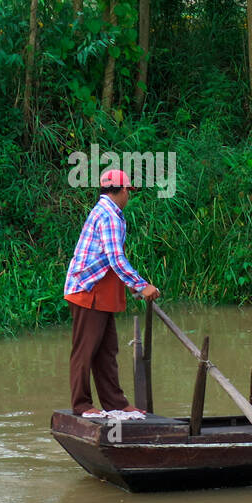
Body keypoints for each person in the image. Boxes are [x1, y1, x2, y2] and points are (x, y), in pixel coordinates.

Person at [63, 168, 160, 419]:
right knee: (85, 351)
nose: (130, 196)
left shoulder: (106, 212)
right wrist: (142, 285)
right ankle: (82, 405)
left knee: (107, 351)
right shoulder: (109, 216)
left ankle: (115, 403)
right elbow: (115, 258)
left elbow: (110, 262)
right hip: (88, 292)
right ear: (123, 190)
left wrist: (132, 286)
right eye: (129, 191)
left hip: (99, 293)